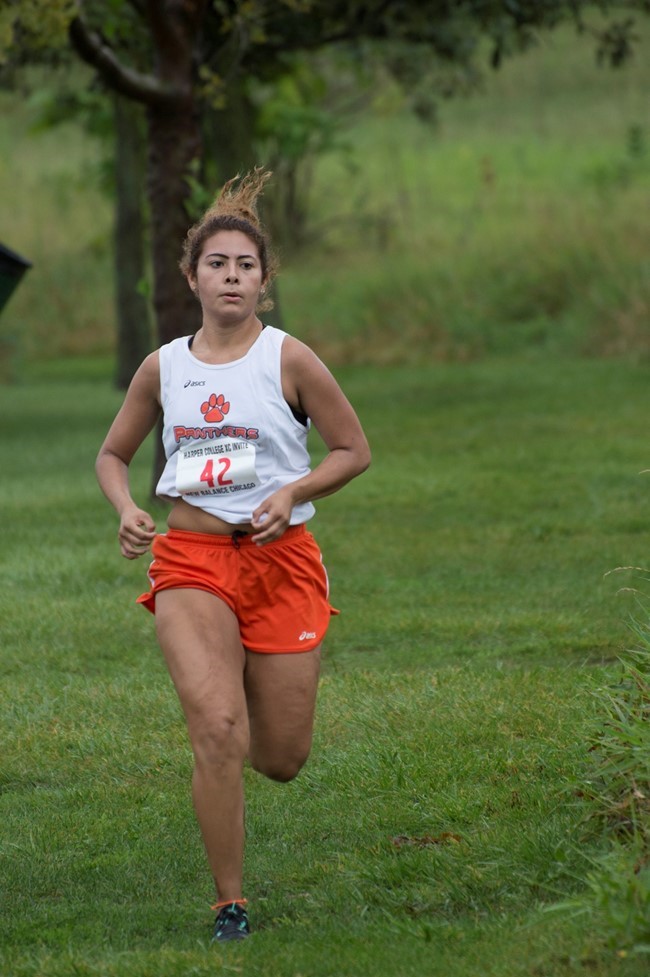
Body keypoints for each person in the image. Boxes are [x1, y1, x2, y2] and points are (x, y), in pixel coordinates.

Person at [95, 168, 371, 943]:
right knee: (217, 728)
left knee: (279, 756)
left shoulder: (291, 359)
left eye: (245, 265)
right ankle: (230, 904)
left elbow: (354, 449)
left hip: (280, 560)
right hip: (191, 558)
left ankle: (242, 703)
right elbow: (113, 455)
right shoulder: (164, 366)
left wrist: (294, 491)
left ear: (264, 282)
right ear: (191, 276)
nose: (231, 276)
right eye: (216, 263)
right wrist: (127, 508)